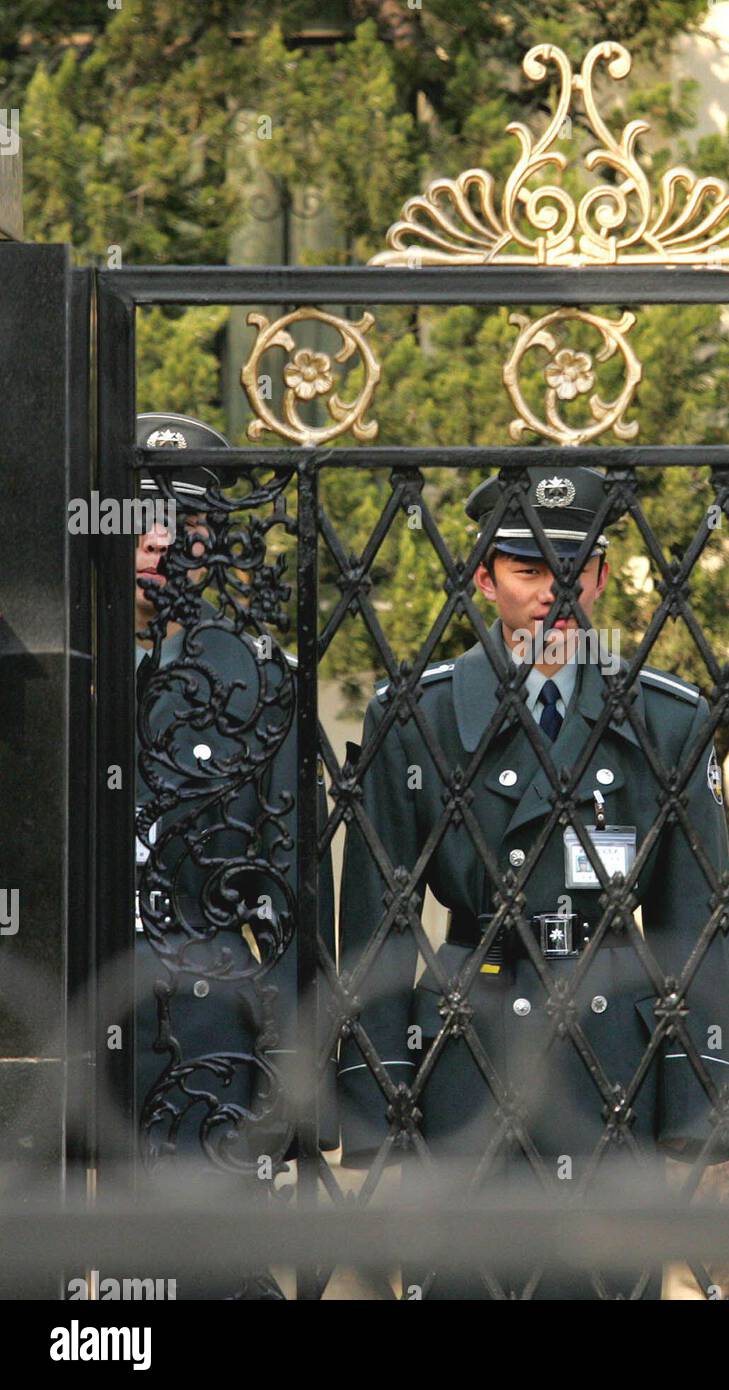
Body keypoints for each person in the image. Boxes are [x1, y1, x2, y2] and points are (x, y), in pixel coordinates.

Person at [337, 463, 729, 1299]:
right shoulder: (416, 715)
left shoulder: (665, 717)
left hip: (611, 1060)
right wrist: (369, 1102)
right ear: (484, 577)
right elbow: (377, 920)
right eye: (527, 571)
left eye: (574, 572)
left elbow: (696, 919)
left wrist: (698, 1101)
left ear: (598, 575)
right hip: (464, 1049)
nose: (551, 596)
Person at [130, 412, 335, 1297]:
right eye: (137, 512)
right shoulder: (38, 667)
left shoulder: (260, 683)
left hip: (205, 1039)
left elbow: (296, 896)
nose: (156, 539)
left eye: (184, 519)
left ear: (213, 538)